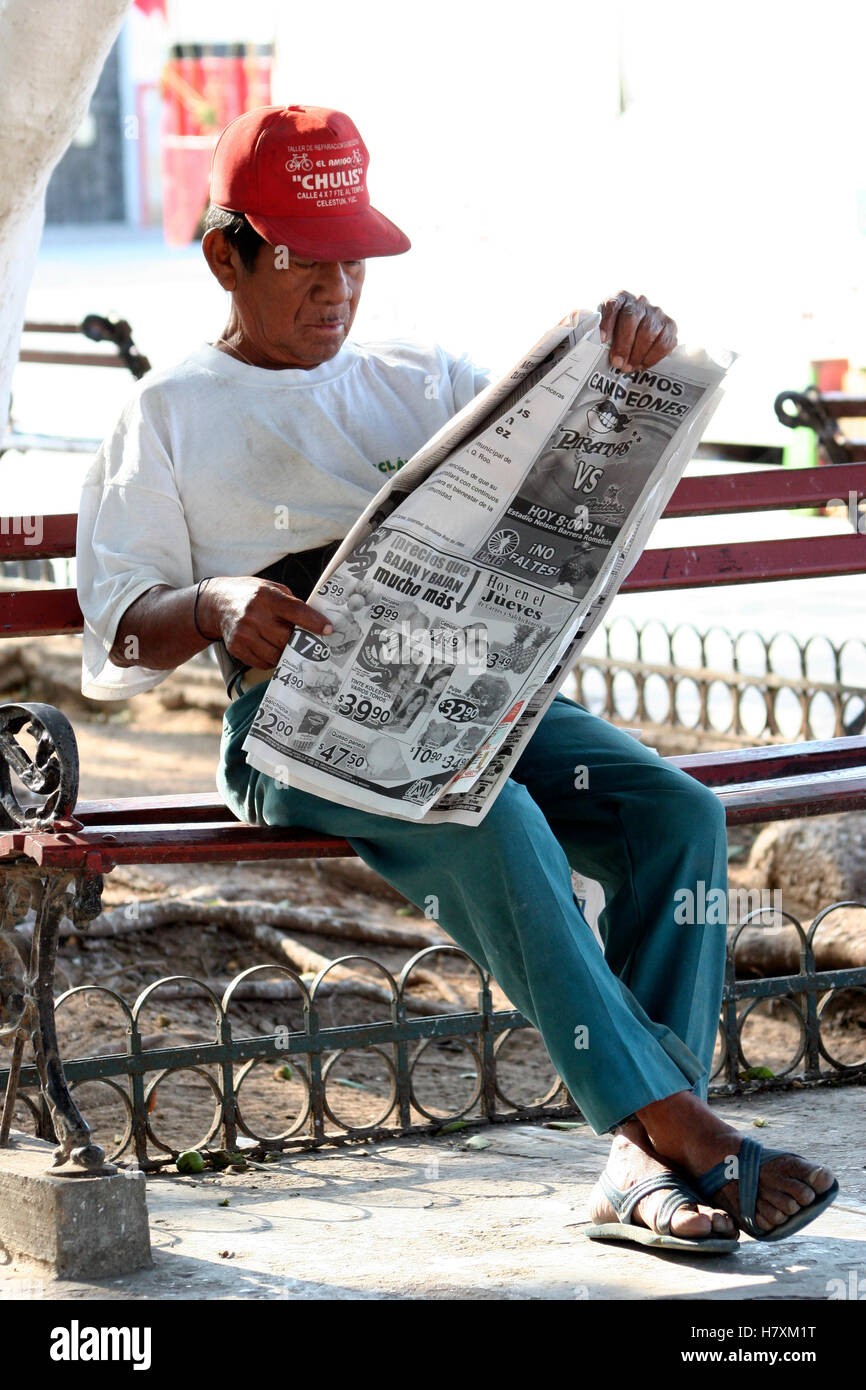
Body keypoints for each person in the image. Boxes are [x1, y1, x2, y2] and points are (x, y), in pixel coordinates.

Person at [77, 103, 837, 1253]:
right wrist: (213, 605)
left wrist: (619, 349)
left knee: (672, 814)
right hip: (295, 731)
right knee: (494, 819)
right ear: (224, 254)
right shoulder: (165, 415)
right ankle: (679, 1128)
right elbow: (118, 640)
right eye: (302, 263)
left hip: (474, 695)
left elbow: (562, 447)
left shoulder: (418, 368)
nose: (336, 291)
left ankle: (637, 1162)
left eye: (353, 264)